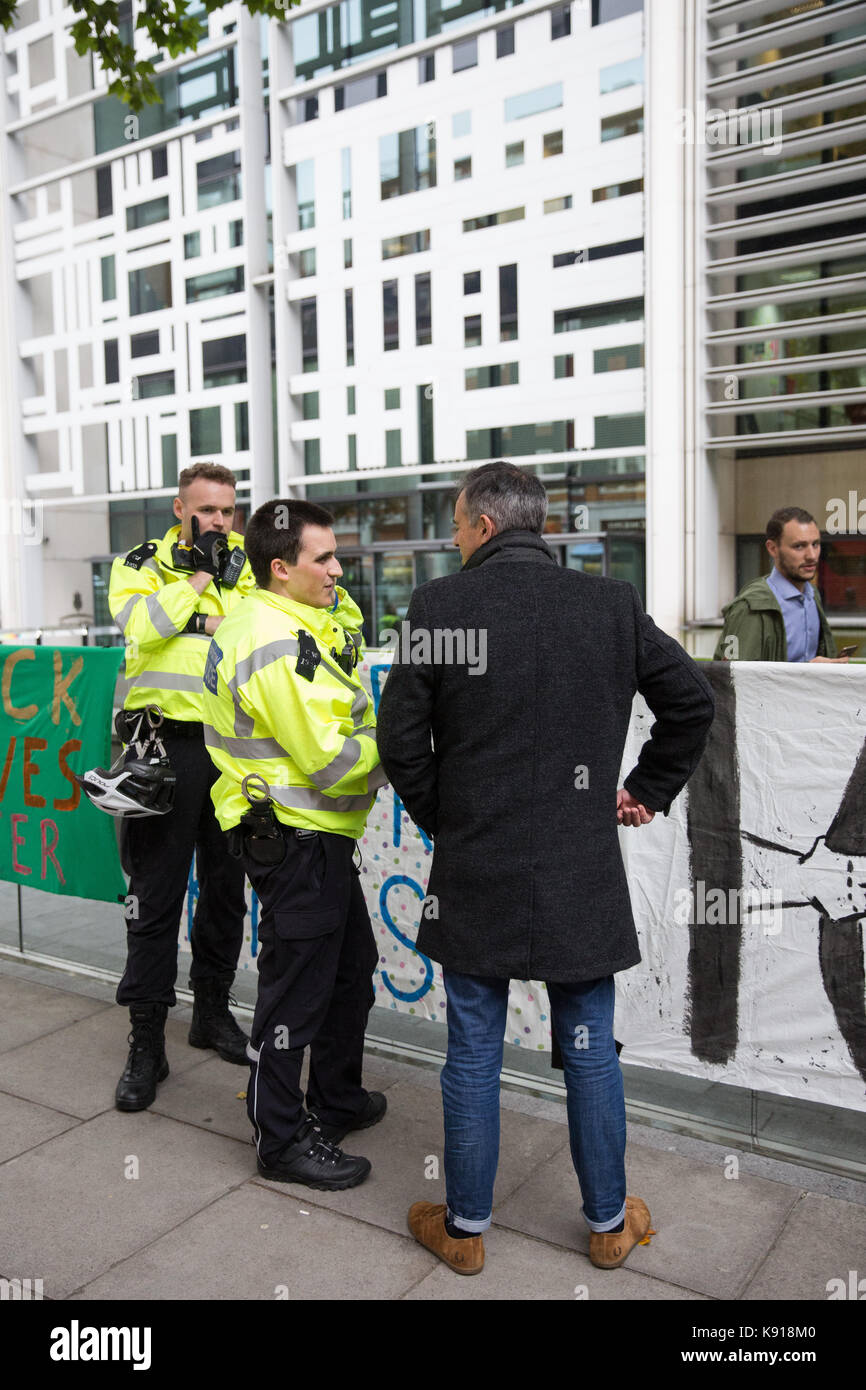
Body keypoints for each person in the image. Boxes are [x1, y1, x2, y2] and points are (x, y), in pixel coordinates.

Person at [375, 461, 716, 1276]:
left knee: (472, 1052)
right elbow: (692, 704)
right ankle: (607, 1224)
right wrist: (644, 791)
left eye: (457, 527)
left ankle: (464, 1229)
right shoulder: (609, 606)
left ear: (485, 527)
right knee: (592, 1049)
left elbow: (399, 744)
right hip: (580, 873)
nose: (454, 541)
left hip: (476, 873)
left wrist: (450, 824)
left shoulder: (440, 608)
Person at [200, 498, 389, 1190]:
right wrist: (400, 743)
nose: (338, 569)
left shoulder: (285, 617)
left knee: (348, 969)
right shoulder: (270, 637)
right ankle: (279, 1138)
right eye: (324, 559)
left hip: (314, 835)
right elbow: (332, 760)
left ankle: (334, 1098)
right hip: (294, 835)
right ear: (280, 569)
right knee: (295, 993)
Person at [108, 462, 257, 1111]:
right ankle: (147, 1042)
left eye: (227, 511)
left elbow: (259, 636)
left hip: (229, 748)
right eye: (208, 511)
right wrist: (198, 580)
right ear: (179, 508)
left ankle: (212, 1012)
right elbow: (142, 628)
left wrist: (204, 614)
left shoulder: (250, 568)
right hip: (161, 748)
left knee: (226, 889)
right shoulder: (141, 563)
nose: (220, 522)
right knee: (155, 895)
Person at [713, 507, 847, 662]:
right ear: (773, 548)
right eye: (799, 546)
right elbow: (732, 677)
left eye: (815, 544)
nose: (811, 556)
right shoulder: (750, 606)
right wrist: (808, 672)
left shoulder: (812, 595)